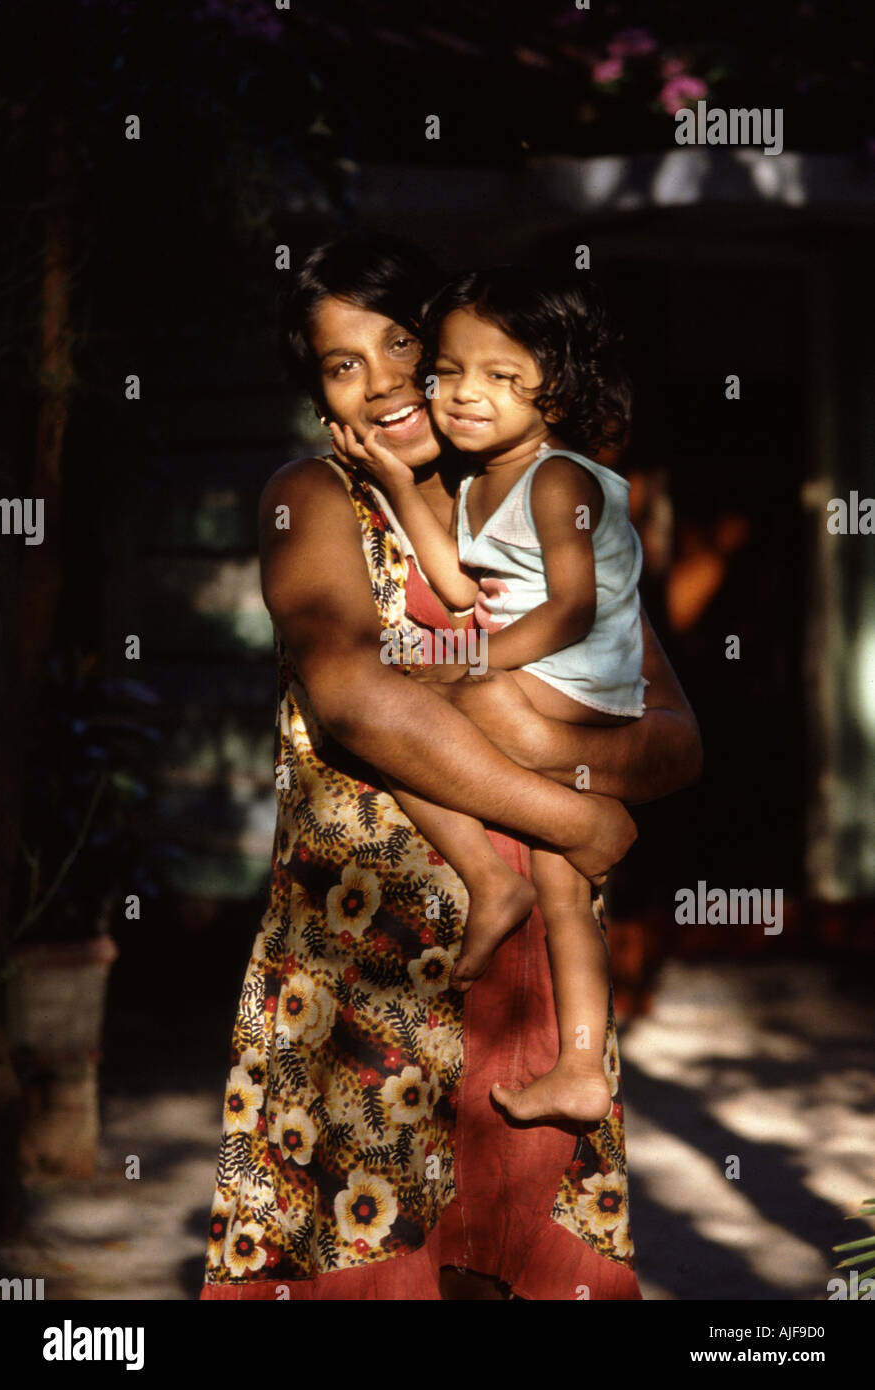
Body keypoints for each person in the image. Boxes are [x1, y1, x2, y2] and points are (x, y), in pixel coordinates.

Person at [199, 233, 702, 1301]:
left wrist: (549, 753)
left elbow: (670, 737)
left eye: (400, 344)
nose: (382, 383)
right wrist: (569, 815)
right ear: (321, 395)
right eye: (343, 365)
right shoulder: (314, 496)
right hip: (366, 974)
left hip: (531, 995)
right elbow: (351, 690)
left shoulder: (534, 510)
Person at [332, 265, 644, 1128]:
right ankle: (581, 1065)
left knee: (388, 716)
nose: (468, 395)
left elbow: (574, 606)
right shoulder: (477, 487)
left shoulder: (557, 480)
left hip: (581, 679)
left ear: (558, 393)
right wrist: (399, 485)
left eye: (503, 378)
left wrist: (475, 668)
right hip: (543, 675)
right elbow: (462, 590)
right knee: (563, 890)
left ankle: (485, 871)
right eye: (452, 372)